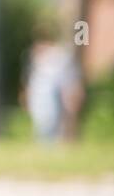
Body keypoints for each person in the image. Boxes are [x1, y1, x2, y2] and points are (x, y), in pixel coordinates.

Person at [19, 12, 85, 144]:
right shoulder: (33, 56)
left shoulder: (61, 56)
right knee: (42, 127)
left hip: (57, 99)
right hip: (40, 100)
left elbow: (70, 79)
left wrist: (74, 94)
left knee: (57, 128)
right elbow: (30, 79)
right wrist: (26, 94)